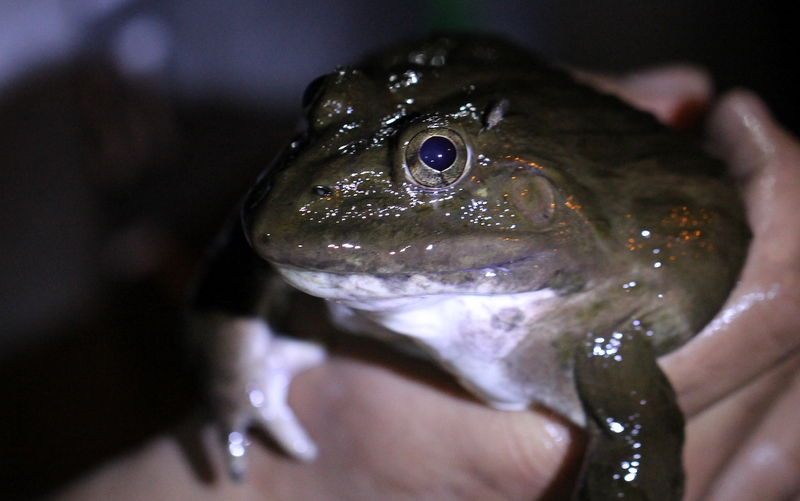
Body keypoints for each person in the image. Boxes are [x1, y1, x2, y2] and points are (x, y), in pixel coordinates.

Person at [53, 66, 800, 501]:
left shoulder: (595, 327)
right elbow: (250, 256)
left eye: (436, 160)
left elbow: (638, 444)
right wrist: (244, 407)